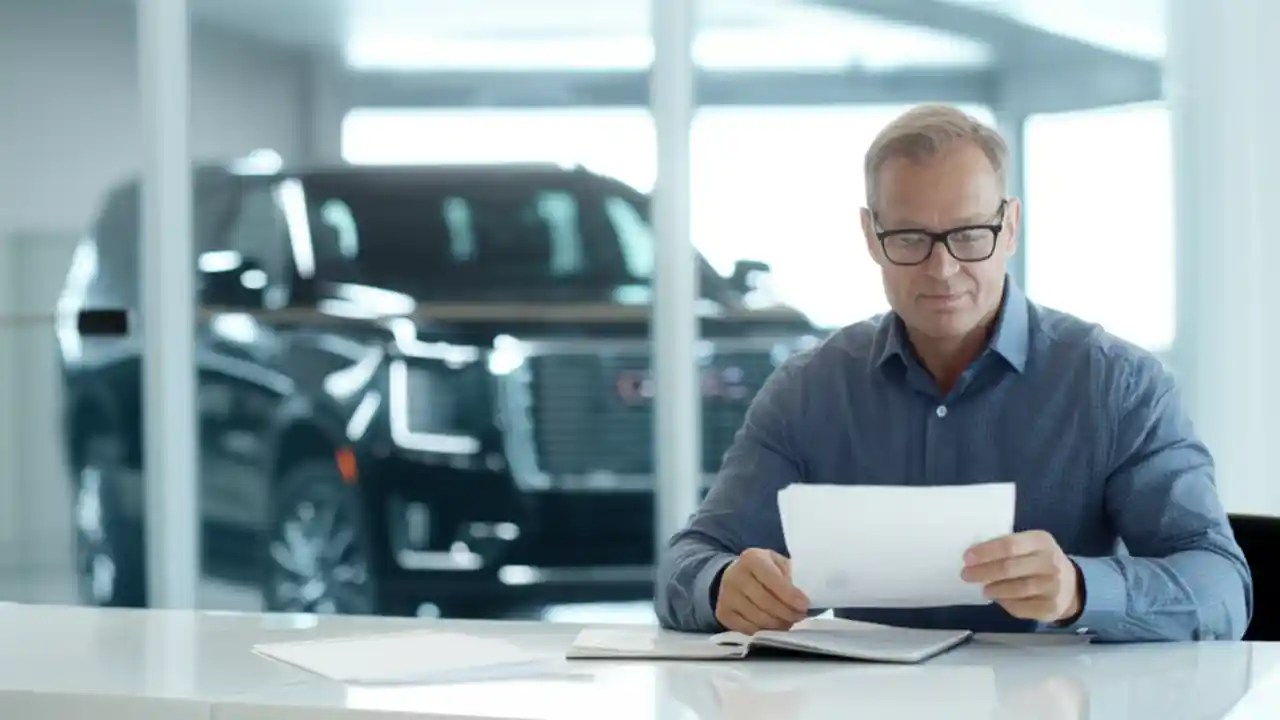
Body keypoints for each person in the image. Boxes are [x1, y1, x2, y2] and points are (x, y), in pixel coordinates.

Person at [654, 104, 1253, 642]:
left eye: (969, 235)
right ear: (871, 237)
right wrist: (721, 584)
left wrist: (1079, 588)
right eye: (910, 238)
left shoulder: (1117, 386)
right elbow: (690, 560)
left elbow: (1222, 586)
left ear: (1009, 227)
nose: (941, 269)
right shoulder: (810, 390)